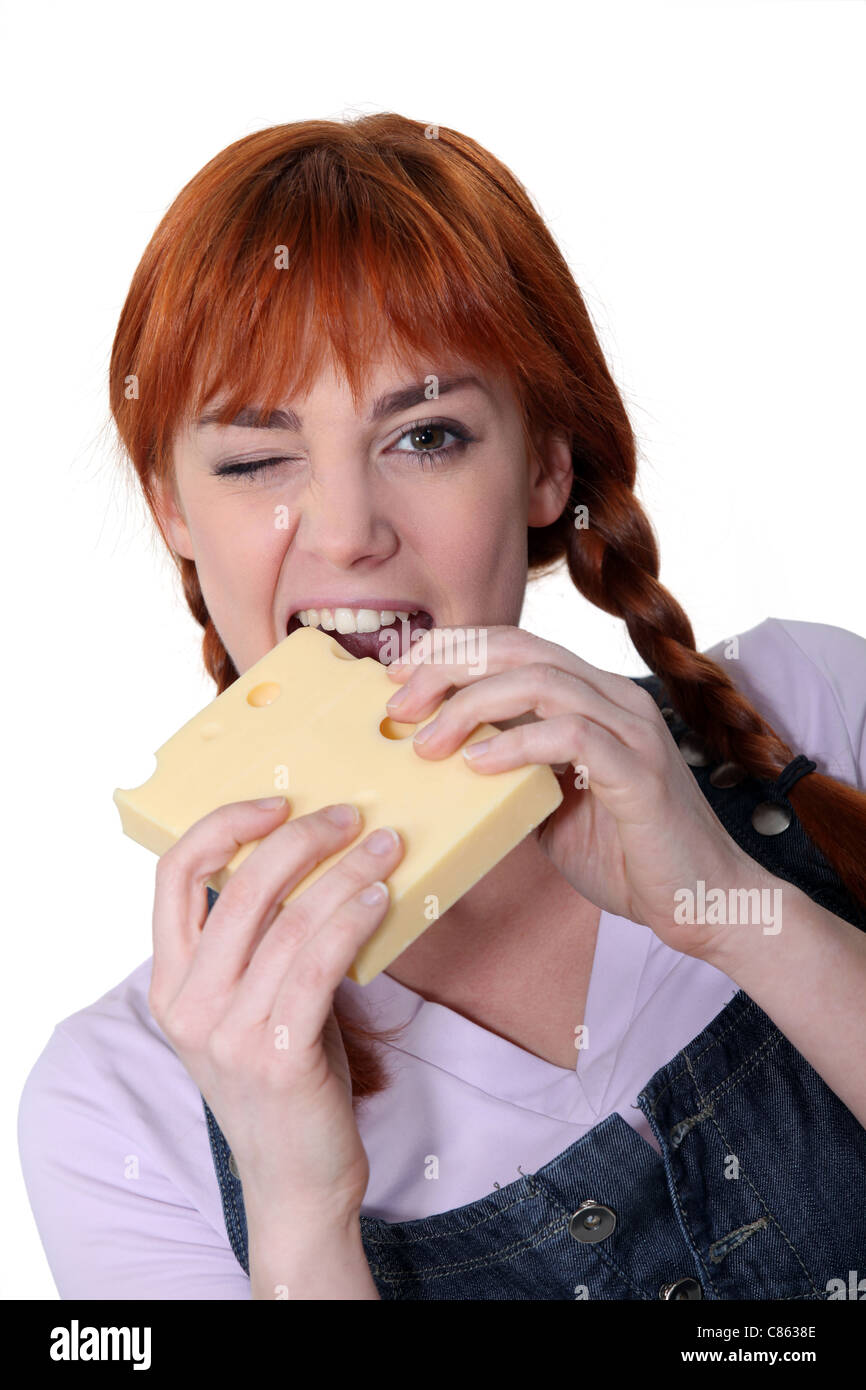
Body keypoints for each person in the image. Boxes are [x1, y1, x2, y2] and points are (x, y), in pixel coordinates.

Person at [18, 113, 866, 1301]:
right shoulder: (121, 1110)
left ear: (544, 466)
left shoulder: (817, 710)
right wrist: (301, 1210)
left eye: (425, 436)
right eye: (256, 460)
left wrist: (734, 915)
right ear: (171, 510)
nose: (349, 532)